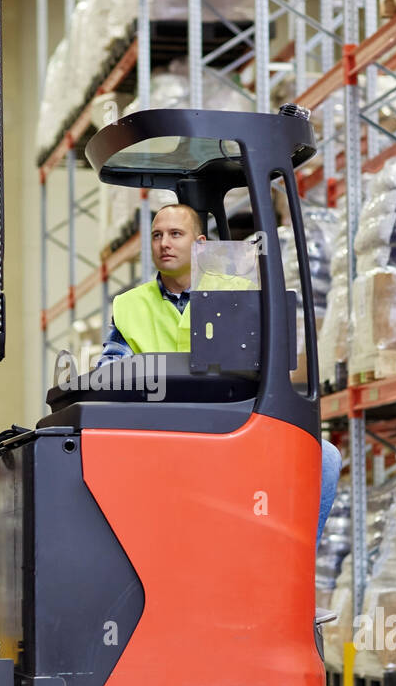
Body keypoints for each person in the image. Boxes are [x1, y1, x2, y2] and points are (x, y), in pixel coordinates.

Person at [97, 203, 342, 543]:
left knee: (325, 458)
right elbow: (110, 372)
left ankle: (295, 561)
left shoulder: (237, 291)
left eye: (175, 234)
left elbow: (264, 365)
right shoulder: (130, 305)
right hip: (160, 433)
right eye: (157, 235)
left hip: (231, 424)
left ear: (199, 244)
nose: (164, 243)